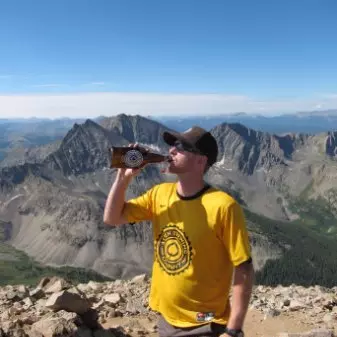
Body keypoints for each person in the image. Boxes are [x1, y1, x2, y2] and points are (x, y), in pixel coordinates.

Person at [103, 126, 254, 337]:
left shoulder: (223, 206)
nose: (172, 151)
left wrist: (233, 330)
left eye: (181, 147)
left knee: (208, 317)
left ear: (201, 161)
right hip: (166, 319)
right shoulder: (159, 194)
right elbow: (112, 217)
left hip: (206, 321)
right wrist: (123, 177)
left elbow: (244, 268)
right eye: (173, 145)